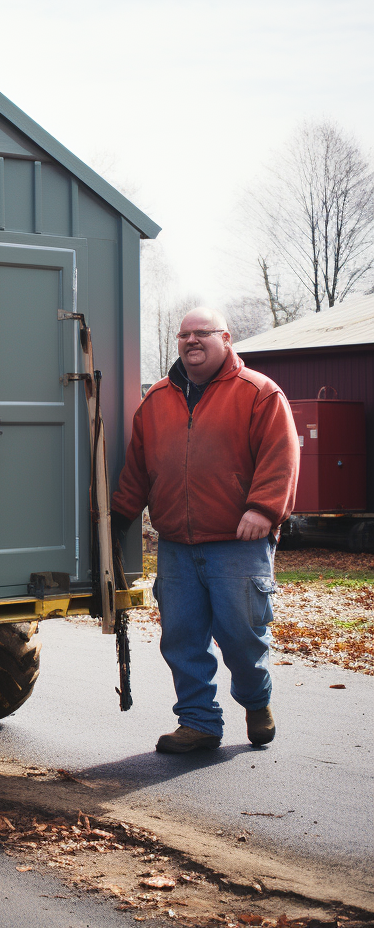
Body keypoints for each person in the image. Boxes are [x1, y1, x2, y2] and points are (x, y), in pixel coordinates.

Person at [112, 308, 299, 753]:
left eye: (203, 334)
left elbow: (281, 456)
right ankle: (199, 723)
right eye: (185, 335)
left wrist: (264, 510)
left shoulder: (258, 393)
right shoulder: (156, 400)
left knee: (242, 636)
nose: (192, 341)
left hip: (238, 543)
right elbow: (139, 469)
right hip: (176, 544)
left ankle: (256, 700)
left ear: (226, 338)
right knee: (181, 637)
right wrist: (119, 515)